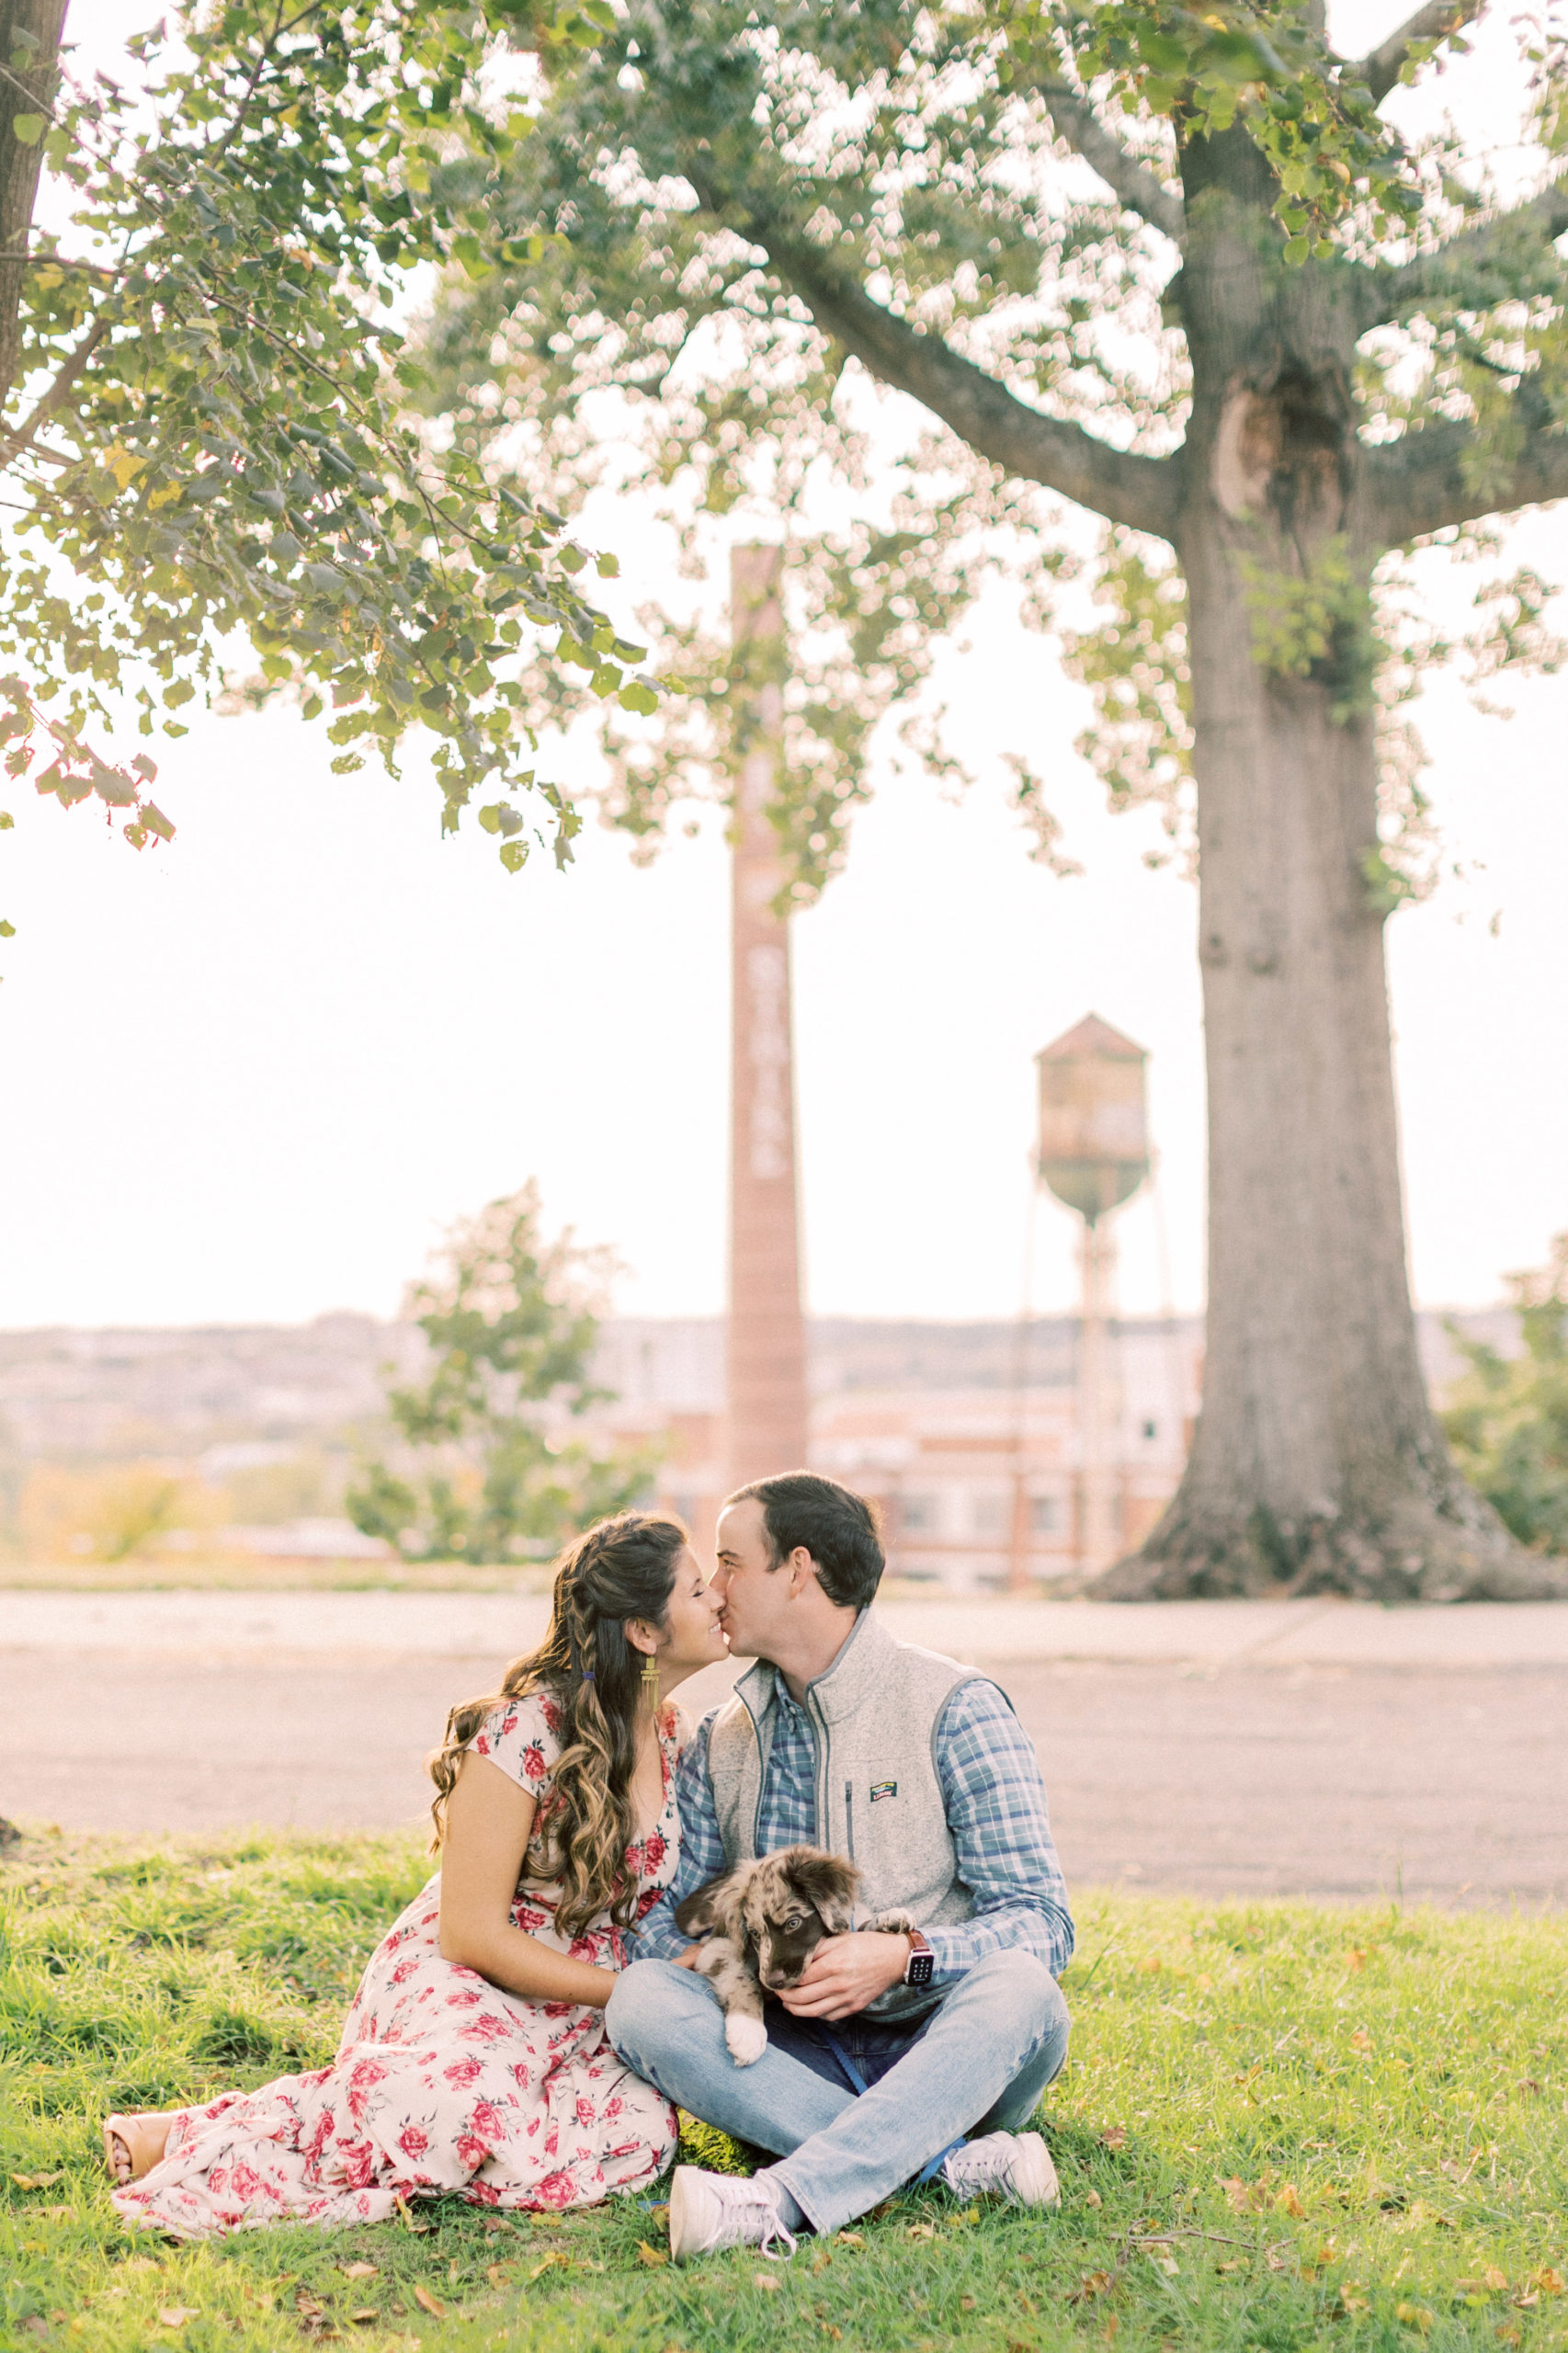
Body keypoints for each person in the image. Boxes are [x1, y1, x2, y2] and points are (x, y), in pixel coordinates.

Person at [106, 1511, 729, 2238]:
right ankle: (191, 2133)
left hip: (583, 2001)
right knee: (460, 2104)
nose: (717, 1596)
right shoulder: (522, 1732)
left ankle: (445, 2129)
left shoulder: (674, 1733)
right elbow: (469, 1934)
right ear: (645, 1632)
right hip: (476, 1972)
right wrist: (625, 1991)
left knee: (638, 2137)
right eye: (696, 1590)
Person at [606, 1471, 1074, 2262]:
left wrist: (904, 1957)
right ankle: (949, 2164)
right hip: (785, 2055)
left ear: (798, 1570)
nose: (714, 1589)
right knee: (641, 1999)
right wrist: (724, 1963)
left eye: (730, 1563)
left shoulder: (956, 1706)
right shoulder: (722, 1737)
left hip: (943, 2043)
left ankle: (777, 2200)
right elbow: (672, 1917)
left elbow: (1043, 1923)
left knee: (1024, 1988)